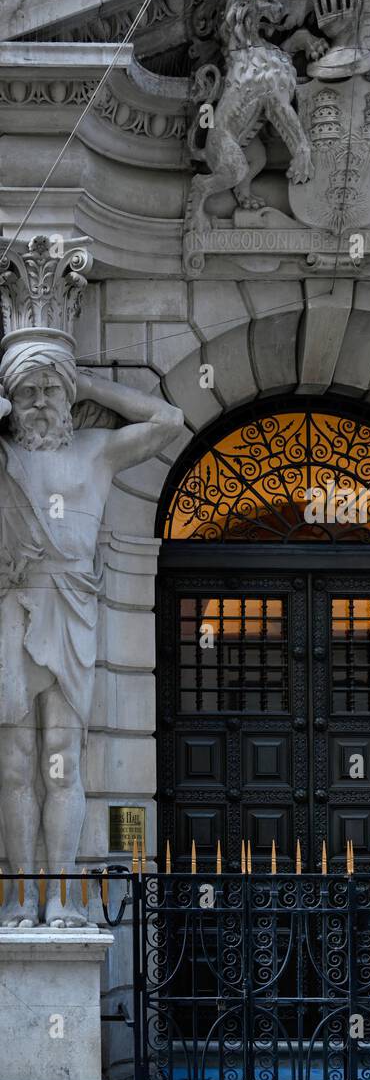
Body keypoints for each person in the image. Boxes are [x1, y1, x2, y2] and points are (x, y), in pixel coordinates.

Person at [0, 343, 182, 927]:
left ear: (69, 397)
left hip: (72, 608)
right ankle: (22, 898)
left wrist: (88, 384)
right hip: (14, 605)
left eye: (51, 391)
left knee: (62, 759)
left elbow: (169, 421)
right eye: (27, 393)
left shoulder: (95, 450)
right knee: (16, 762)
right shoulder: (3, 457)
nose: (40, 403)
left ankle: (58, 897)